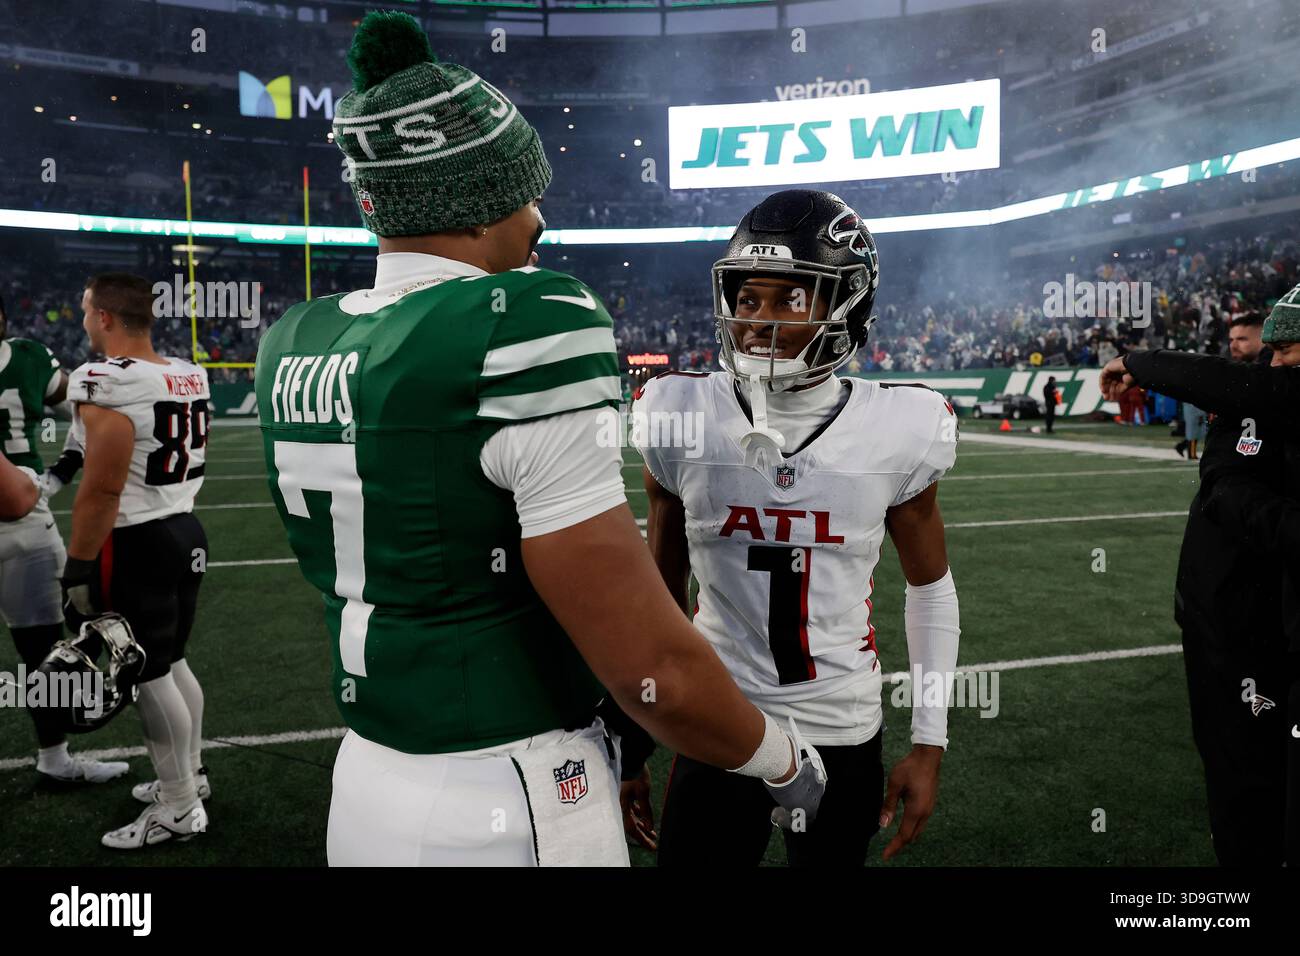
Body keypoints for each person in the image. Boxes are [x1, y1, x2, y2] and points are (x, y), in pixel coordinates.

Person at [256, 11, 823, 868]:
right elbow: (649, 665)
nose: (539, 216)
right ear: (477, 203)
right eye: (525, 190)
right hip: (507, 786)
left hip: (368, 782)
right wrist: (784, 761)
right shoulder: (525, 318)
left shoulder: (294, 337)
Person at [625, 190, 960, 866]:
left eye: (789, 299)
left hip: (842, 722)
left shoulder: (902, 427)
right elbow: (657, 587)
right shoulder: (679, 415)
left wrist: (929, 744)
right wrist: (633, 741)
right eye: (748, 299)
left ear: (846, 305)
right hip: (721, 718)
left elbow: (930, 592)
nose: (758, 321)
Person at [1102, 283, 1300, 865]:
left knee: (1257, 771)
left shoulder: (1266, 394)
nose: (1273, 360)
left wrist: (1140, 363)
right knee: (1233, 764)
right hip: (1223, 619)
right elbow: (1221, 475)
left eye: (1288, 350)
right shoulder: (1256, 396)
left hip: (1262, 630)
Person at [62, 273, 212, 848]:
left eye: (84, 310)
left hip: (136, 539)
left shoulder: (104, 380)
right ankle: (189, 778)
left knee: (147, 674)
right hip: (185, 528)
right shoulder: (187, 373)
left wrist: (77, 568)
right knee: (172, 663)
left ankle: (177, 807)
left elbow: (101, 491)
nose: (81, 321)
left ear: (104, 316)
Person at [0, 294, 128, 783]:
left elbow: (83, 405)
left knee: (43, 649)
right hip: (24, 518)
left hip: (26, 525)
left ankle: (54, 759)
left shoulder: (30, 358)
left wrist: (61, 472)